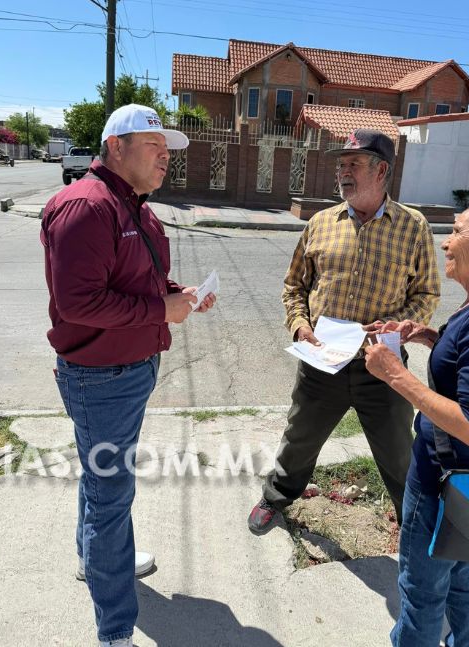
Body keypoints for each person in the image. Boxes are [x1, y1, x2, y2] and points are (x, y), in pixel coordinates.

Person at [40, 104, 215, 647]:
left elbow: (135, 278)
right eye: (153, 146)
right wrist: (161, 311)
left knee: (102, 482)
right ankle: (115, 629)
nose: (166, 157)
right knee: (110, 496)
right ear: (116, 147)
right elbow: (77, 303)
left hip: (131, 368)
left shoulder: (135, 207)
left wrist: (176, 293)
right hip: (101, 376)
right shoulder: (86, 208)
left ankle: (93, 560)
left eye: (168, 150)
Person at [248, 128, 441, 534]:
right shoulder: (321, 223)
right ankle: (277, 496)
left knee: (398, 452)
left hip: (384, 368)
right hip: (322, 363)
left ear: (381, 169)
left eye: (353, 164)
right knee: (299, 438)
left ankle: (415, 522)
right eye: (341, 164)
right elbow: (294, 286)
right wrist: (300, 328)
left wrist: (401, 325)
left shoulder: (413, 227)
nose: (342, 172)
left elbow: (426, 293)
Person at [364, 197, 469, 646]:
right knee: (458, 583)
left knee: (421, 595)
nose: (446, 243)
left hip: (445, 482)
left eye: (456, 231)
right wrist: (430, 337)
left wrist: (395, 373)